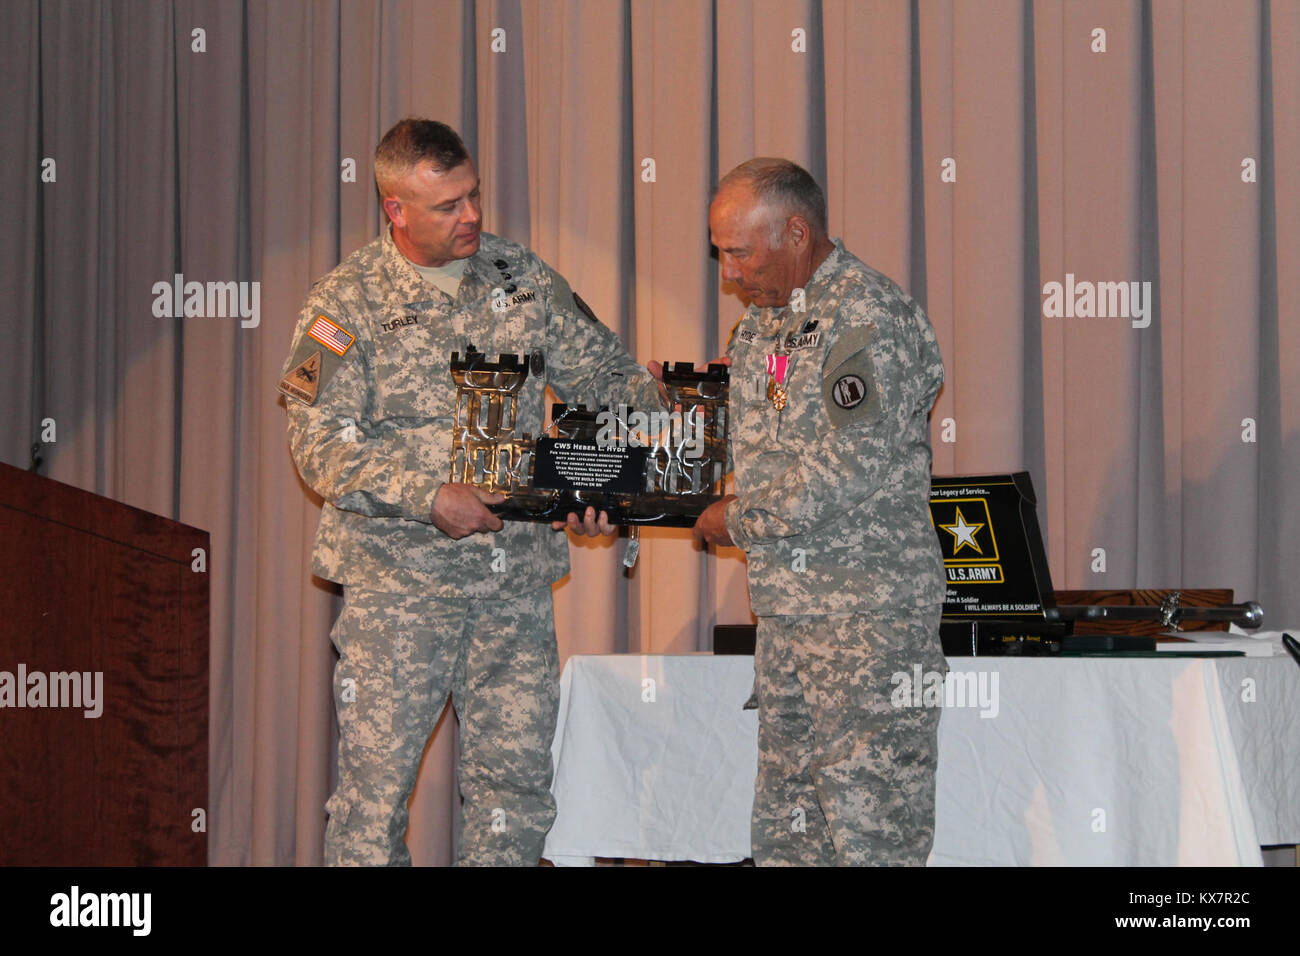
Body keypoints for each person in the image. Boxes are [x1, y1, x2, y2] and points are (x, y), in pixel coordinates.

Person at [278, 118, 664, 866]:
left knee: (513, 795)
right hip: (399, 589)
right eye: (449, 204)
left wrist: (637, 445)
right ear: (396, 210)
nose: (473, 216)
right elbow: (317, 441)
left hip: (510, 588)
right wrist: (428, 495)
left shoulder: (523, 278)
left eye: (474, 195)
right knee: (372, 800)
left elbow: (611, 382)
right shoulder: (345, 303)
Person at [692, 158, 947, 865]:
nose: (729, 272)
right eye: (721, 252)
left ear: (796, 232)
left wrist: (735, 519)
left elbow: (846, 465)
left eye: (739, 250)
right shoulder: (764, 328)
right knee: (789, 824)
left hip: (866, 619)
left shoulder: (863, 316)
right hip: (789, 616)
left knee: (871, 829)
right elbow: (766, 438)